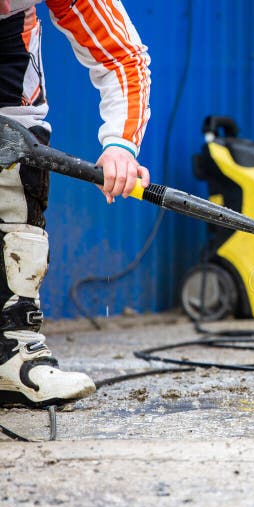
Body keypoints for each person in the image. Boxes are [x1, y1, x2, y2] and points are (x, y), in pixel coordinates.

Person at [0, 0, 150, 406]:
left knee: (16, 160)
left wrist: (120, 145)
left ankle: (12, 355)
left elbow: (121, 55)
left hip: (8, 63)